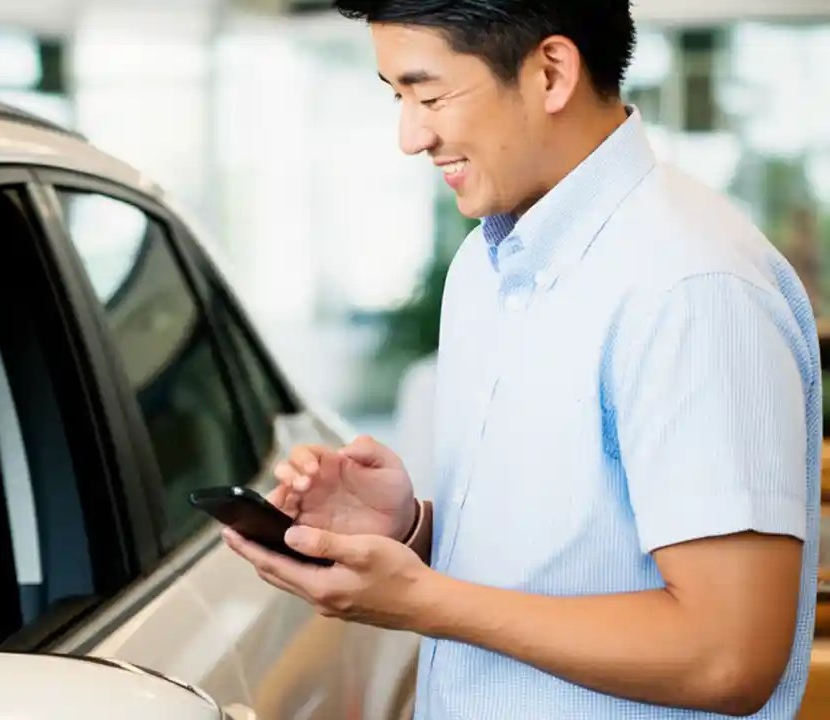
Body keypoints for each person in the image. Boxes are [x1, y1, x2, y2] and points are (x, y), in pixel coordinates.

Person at [220, 1, 821, 718]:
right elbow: (576, 552)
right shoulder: (487, 265)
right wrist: (413, 530)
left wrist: (424, 600)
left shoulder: (691, 286)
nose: (410, 136)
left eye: (430, 94)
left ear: (551, 72)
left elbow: (726, 654)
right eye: (397, 96)